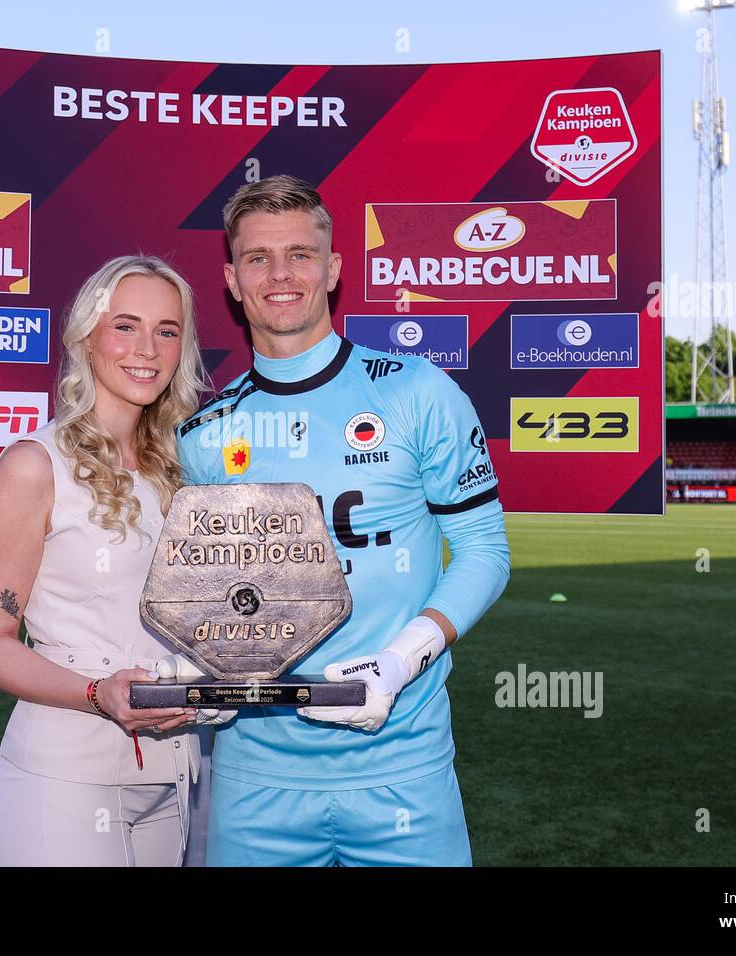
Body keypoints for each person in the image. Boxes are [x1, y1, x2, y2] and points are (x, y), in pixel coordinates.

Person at [174, 175, 511, 866]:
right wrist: (201, 672)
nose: (281, 274)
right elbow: (202, 598)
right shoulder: (204, 433)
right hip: (255, 782)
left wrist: (398, 662)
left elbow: (484, 551)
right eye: (258, 258)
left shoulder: (418, 391)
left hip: (403, 773)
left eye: (300, 253)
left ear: (332, 269)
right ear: (233, 281)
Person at [0, 254, 214, 866]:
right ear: (88, 337)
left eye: (167, 330)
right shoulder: (33, 465)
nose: (147, 348)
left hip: (181, 772)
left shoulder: (188, 468)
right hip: (65, 777)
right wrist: (98, 692)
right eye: (125, 325)